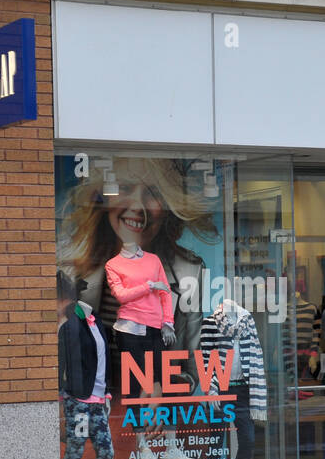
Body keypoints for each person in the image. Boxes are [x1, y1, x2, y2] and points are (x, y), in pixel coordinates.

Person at [58, 157, 218, 382]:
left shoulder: (188, 271)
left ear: (168, 206)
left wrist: (161, 388)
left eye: (153, 193)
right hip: (93, 400)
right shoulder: (70, 271)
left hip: (149, 409)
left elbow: (192, 367)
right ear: (105, 199)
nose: (137, 206)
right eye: (124, 188)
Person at [57, 272, 114, 459]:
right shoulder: (70, 326)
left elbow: (104, 361)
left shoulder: (96, 322)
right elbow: (63, 364)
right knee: (75, 454)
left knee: (106, 452)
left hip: (98, 400)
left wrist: (107, 393)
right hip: (79, 401)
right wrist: (66, 393)